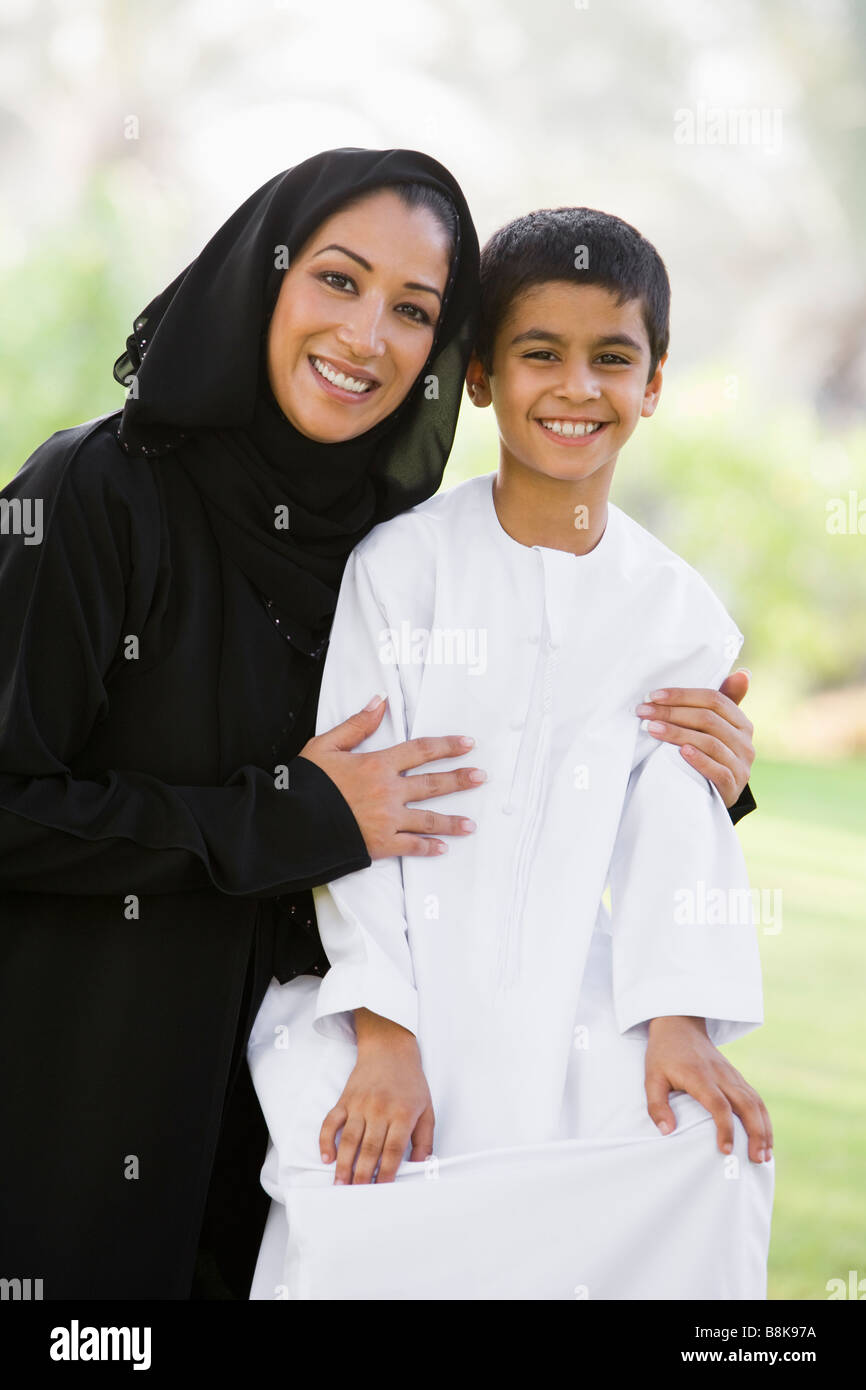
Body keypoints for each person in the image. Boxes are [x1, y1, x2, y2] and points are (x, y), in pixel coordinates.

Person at [247, 206, 774, 1300]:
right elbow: (355, 818)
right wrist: (385, 1038)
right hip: (400, 1000)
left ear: (655, 382)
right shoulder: (401, 569)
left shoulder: (674, 609)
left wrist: (678, 1019)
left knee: (702, 1167)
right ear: (480, 377)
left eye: (611, 359)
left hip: (570, 1011)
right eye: (541, 354)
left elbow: (675, 835)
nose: (575, 389)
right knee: (362, 1230)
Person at [0, 147, 487, 1300]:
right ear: (257, 279)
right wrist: (282, 818)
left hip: (291, 1143)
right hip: (73, 1112)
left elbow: (476, 776)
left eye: (413, 310)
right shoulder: (90, 495)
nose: (367, 336)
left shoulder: (398, 562)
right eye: (336, 279)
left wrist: (687, 764)